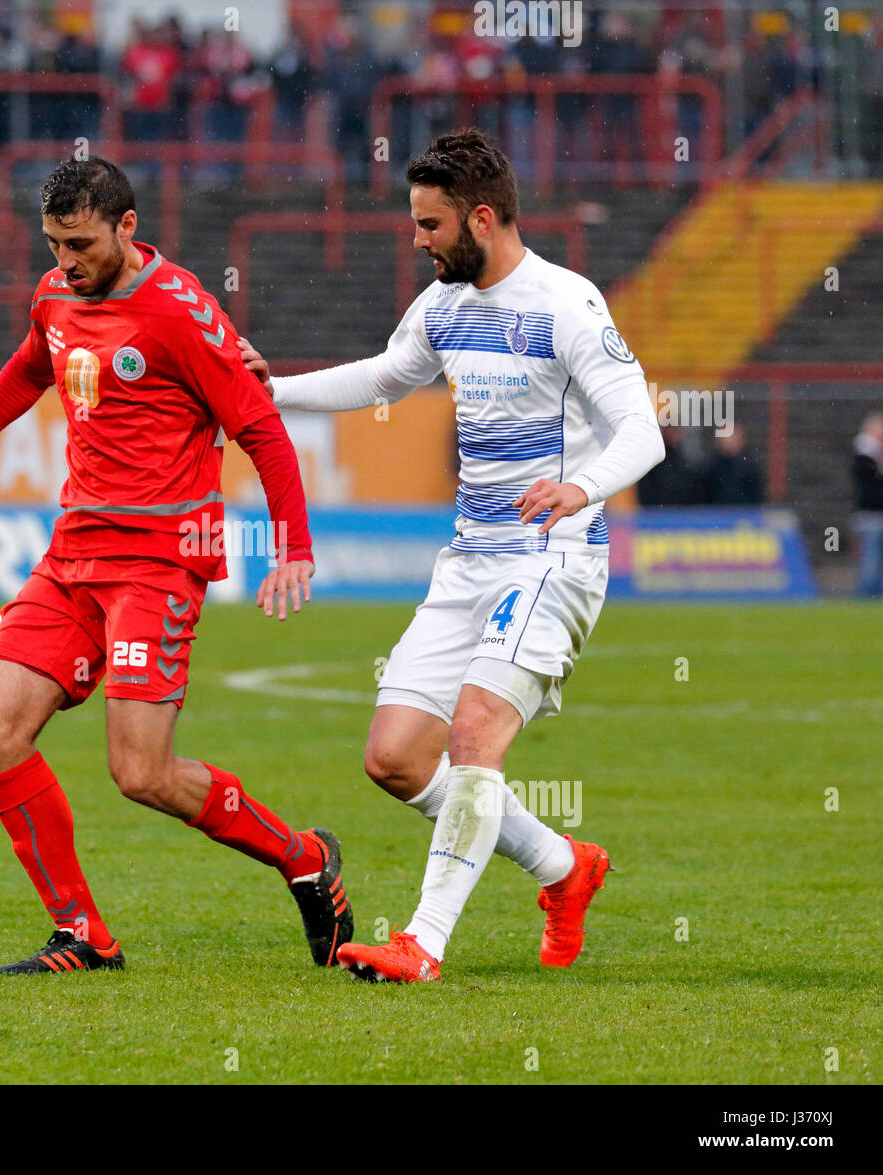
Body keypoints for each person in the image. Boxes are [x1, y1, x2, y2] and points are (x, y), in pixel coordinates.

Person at [0, 157, 352, 975]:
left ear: (128, 226)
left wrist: (294, 545)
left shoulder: (180, 312)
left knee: (139, 772)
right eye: (52, 244)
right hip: (73, 550)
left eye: (79, 244)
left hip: (158, 561)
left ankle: (304, 856)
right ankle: (82, 934)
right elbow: (30, 367)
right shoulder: (53, 295)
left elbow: (260, 427)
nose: (65, 261)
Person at [239, 130, 665, 982]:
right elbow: (388, 377)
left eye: (430, 224)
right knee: (394, 757)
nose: (418, 239)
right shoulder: (445, 306)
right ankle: (562, 866)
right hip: (468, 561)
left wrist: (580, 489)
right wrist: (274, 391)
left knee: (473, 735)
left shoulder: (566, 306)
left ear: (480, 216)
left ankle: (422, 942)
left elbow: (642, 430)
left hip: (552, 559)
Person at [851, 412, 883, 596]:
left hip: (873, 514)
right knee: (870, 563)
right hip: (870, 515)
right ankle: (865, 596)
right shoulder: (865, 453)